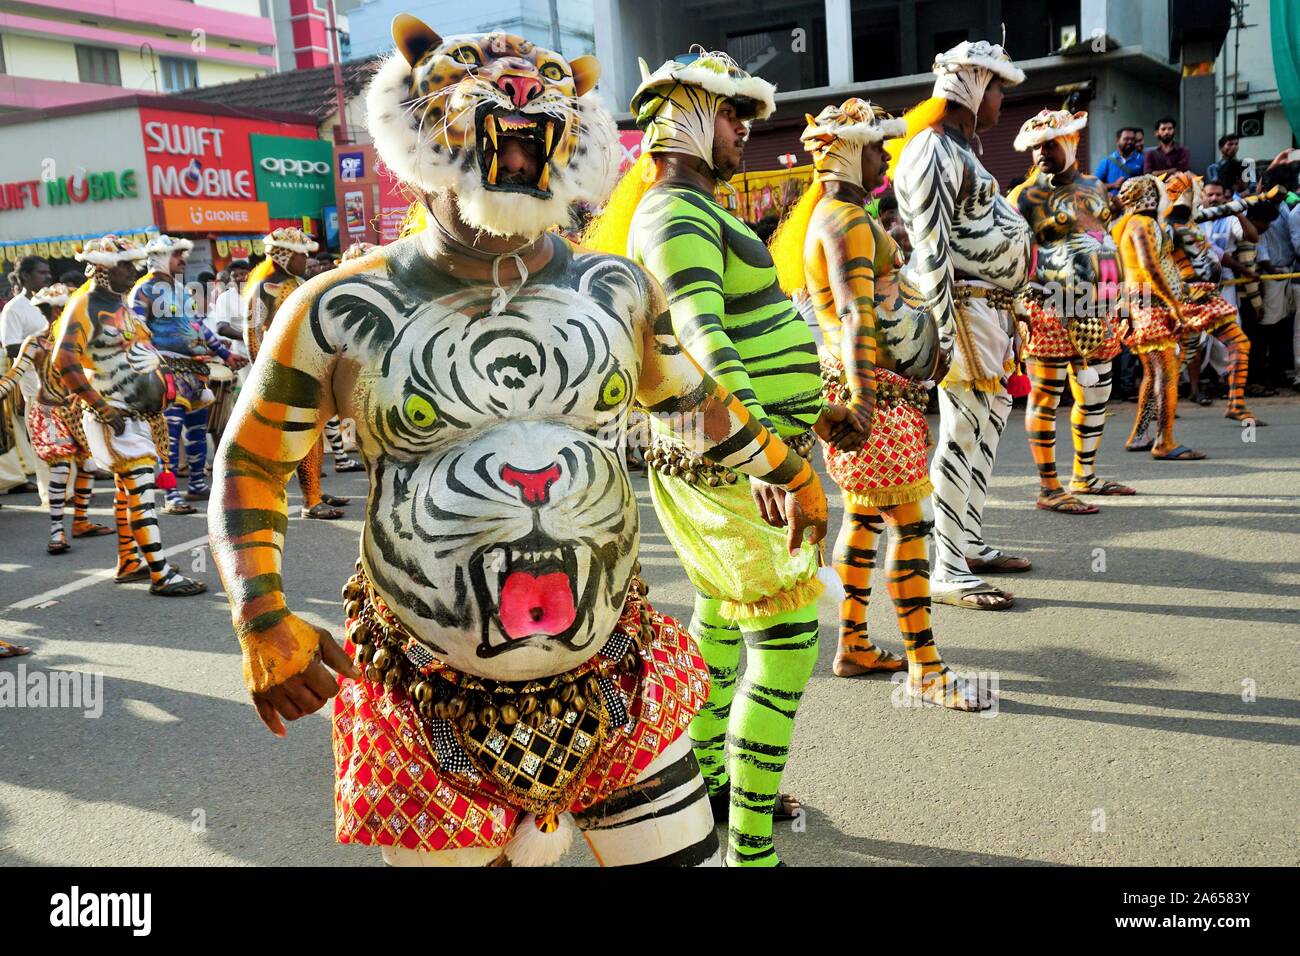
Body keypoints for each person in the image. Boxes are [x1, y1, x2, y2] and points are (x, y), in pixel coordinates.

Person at [209, 15, 831, 868]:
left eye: (543, 76)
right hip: (427, 703)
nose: (516, 85)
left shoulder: (616, 288)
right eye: (479, 71)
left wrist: (791, 473)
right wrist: (260, 614)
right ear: (415, 129)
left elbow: (696, 403)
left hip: (618, 677)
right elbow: (250, 462)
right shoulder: (336, 307)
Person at [584, 47, 853, 864]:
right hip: (742, 468)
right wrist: (783, 463)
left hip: (735, 458)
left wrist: (819, 412)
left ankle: (709, 798)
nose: (745, 129)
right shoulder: (675, 212)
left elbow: (733, 332)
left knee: (717, 633)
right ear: (686, 116)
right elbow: (702, 344)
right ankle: (751, 851)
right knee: (786, 643)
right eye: (733, 112)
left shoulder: (690, 210)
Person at [770, 98, 992, 711]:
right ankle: (926, 667)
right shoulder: (845, 222)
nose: (885, 157)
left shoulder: (839, 217)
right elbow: (854, 314)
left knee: (865, 521)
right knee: (910, 525)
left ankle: (855, 645)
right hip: (874, 398)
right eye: (876, 147)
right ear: (848, 152)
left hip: (866, 391)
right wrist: (867, 405)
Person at [892, 39, 1033, 611]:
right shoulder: (930, 149)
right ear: (972, 84)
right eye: (997, 86)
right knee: (961, 434)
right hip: (964, 316)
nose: (1001, 99)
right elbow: (930, 249)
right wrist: (948, 335)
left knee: (986, 432)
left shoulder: (960, 150)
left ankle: (967, 541)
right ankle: (946, 566)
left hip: (990, 313)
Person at [53, 235, 207, 596]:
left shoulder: (119, 301)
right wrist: (103, 407)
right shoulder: (85, 305)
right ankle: (161, 574)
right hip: (115, 415)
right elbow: (65, 361)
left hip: (136, 414)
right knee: (141, 492)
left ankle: (130, 561)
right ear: (103, 269)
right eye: (124, 264)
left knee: (128, 493)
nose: (132, 269)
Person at [1008, 108, 1136, 516]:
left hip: (1098, 308)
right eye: (1035, 147)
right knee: (1046, 397)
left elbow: (1107, 243)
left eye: (1049, 145)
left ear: (1072, 142)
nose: (1041, 153)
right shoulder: (1024, 197)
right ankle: (1049, 487)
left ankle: (1086, 475)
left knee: (1096, 392)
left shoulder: (1097, 186)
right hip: (1046, 309)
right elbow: (1013, 257)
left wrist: (1124, 297)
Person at [129, 234, 247, 513]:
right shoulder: (143, 291)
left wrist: (225, 355)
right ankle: (170, 495)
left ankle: (196, 485)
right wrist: (149, 367)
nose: (183, 260)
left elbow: (200, 328)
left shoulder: (182, 291)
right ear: (159, 258)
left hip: (194, 372)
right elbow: (136, 333)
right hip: (165, 371)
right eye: (176, 255)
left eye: (183, 254)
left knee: (196, 431)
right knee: (168, 435)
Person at [242, 227, 350, 519]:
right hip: (285, 375)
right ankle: (310, 501)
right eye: (302, 255)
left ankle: (315, 491)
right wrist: (263, 377)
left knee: (315, 435)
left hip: (309, 370)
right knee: (304, 439)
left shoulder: (298, 282)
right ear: (284, 255)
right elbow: (252, 335)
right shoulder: (263, 287)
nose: (307, 261)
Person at [0, 283, 112, 554]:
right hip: (47, 413)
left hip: (73, 411)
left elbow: (98, 369)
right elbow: (15, 374)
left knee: (87, 465)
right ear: (55, 310)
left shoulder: (78, 340)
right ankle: (56, 532)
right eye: (62, 309)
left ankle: (81, 522)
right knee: (61, 469)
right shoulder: (36, 343)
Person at [1112, 176, 1204, 460]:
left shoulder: (1125, 224)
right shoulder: (1144, 223)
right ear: (1152, 195)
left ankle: (1139, 435)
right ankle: (1165, 441)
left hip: (1139, 302)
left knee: (1154, 373)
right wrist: (1175, 304)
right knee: (1167, 372)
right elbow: (1150, 265)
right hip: (1151, 303)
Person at [0, 255, 50, 495]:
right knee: (44, 438)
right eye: (41, 272)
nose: (47, 276)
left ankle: (73, 488)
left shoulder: (49, 302)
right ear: (26, 277)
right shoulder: (13, 309)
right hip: (33, 383)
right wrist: (39, 349)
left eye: (48, 271)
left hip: (58, 382)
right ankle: (51, 493)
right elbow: (10, 348)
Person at [1094, 126, 1144, 196]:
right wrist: (1113, 185)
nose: (1130, 142)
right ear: (1117, 140)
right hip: (1114, 205)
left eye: (1132, 139)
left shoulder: (1142, 159)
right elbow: (1094, 186)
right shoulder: (1107, 162)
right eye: (1126, 139)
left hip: (1137, 205)